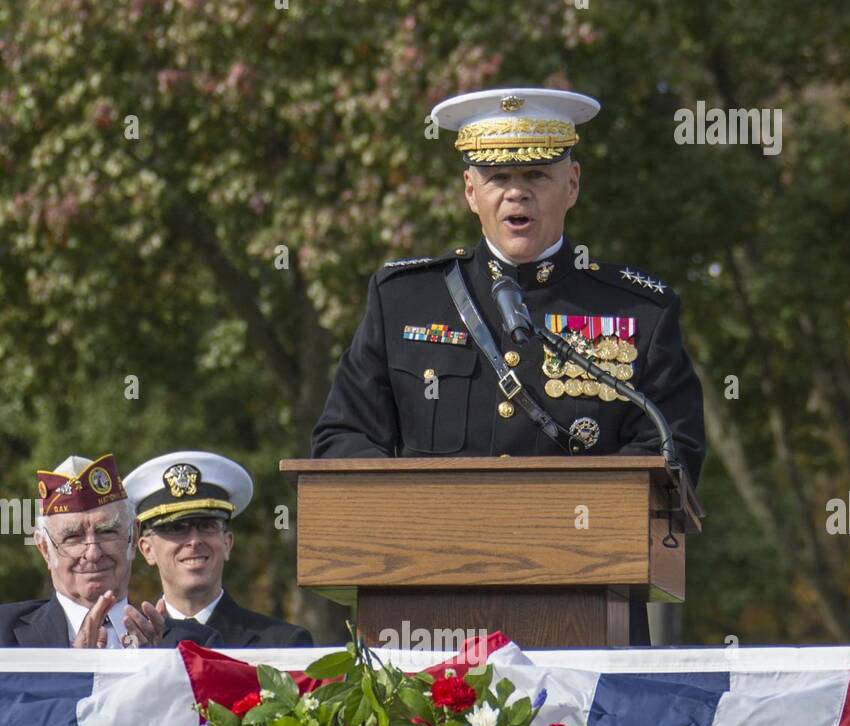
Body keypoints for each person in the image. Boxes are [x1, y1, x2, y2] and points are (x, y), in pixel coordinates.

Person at [311, 86, 705, 642]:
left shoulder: (637, 310)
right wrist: (419, 519)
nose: (516, 195)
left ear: (572, 185)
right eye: (498, 179)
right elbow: (342, 439)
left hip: (588, 616)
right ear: (471, 191)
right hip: (423, 616)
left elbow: (674, 451)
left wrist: (566, 526)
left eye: (537, 177)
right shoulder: (403, 300)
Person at [123, 450, 314, 648]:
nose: (194, 541)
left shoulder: (283, 644)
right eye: (176, 528)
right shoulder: (128, 645)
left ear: (227, 543)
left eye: (207, 526)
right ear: (147, 550)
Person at [0, 454, 165, 648]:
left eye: (107, 532)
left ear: (134, 537)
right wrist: (74, 670)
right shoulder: (4, 634)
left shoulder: (187, 645)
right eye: (73, 537)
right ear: (45, 549)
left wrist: (158, 664)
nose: (93, 554)